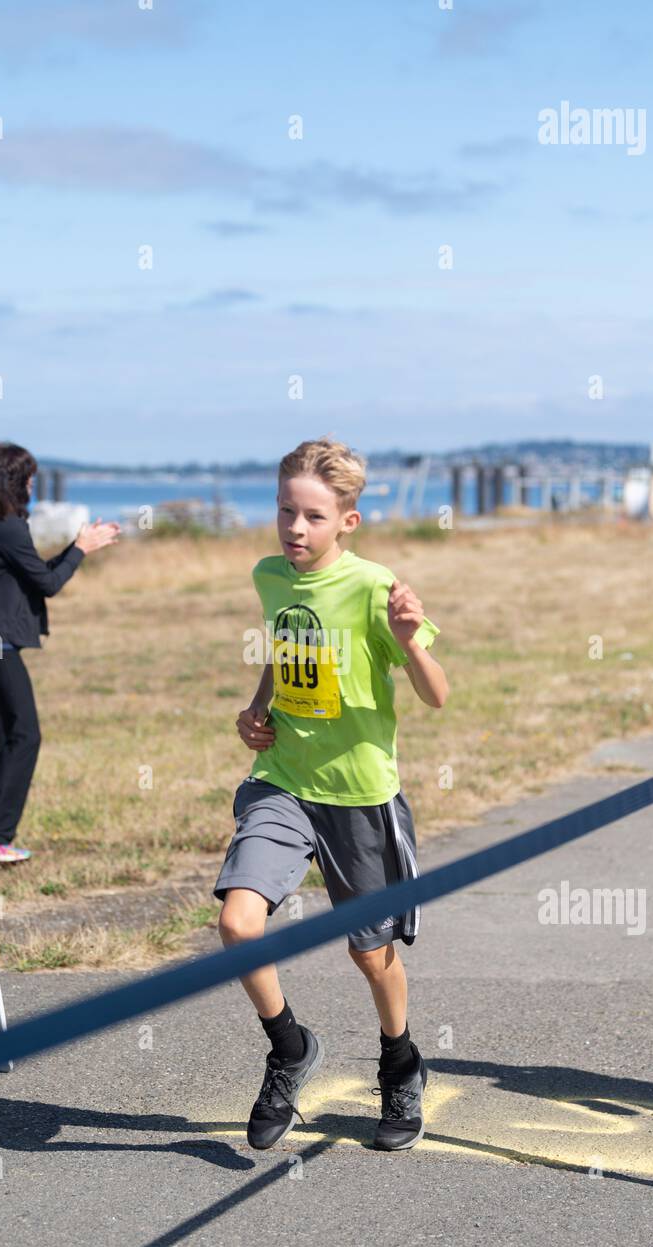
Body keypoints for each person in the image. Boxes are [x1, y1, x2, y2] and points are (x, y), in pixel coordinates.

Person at [213, 437, 449, 1152]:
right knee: (237, 925)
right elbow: (285, 657)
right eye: (286, 511)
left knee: (371, 956)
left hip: (360, 797)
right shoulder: (269, 577)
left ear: (347, 521)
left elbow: (437, 696)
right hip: (283, 782)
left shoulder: (375, 588)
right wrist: (258, 711)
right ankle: (288, 1048)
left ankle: (401, 1061)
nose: (294, 529)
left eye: (313, 516)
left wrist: (410, 643)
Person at [0, 441, 120, 864]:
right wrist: (81, 549)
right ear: (13, 483)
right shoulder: (9, 528)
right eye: (28, 478)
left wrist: (79, 545)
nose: (32, 485)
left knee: (4, 735)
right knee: (24, 733)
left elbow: (37, 574)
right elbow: (48, 584)